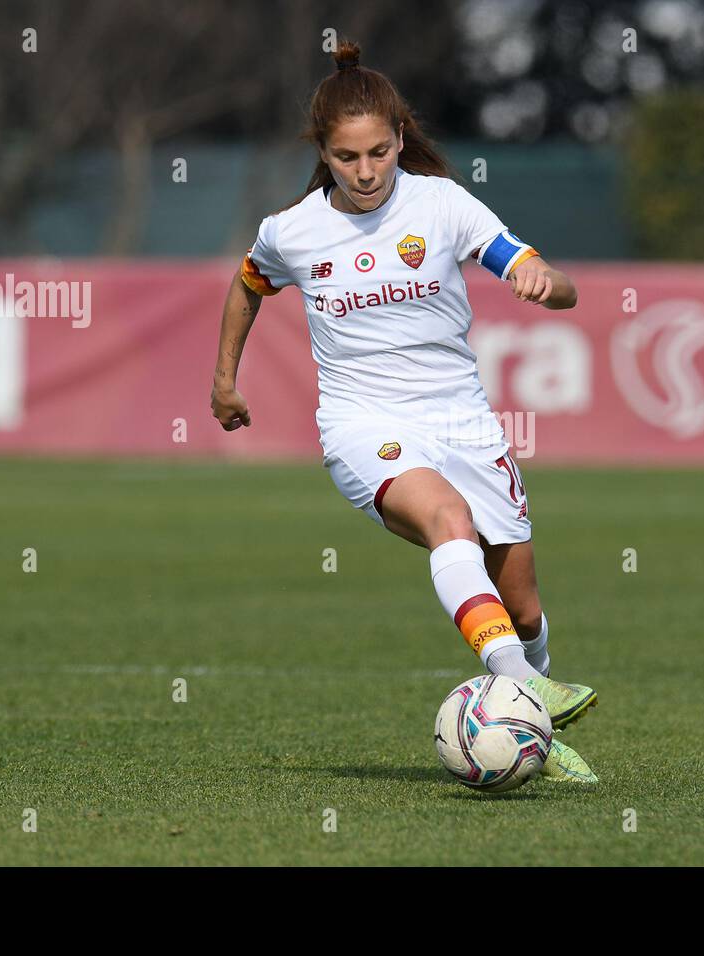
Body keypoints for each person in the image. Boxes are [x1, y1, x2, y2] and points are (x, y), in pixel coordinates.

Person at [211, 39, 597, 783]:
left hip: (462, 420)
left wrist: (546, 280)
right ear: (323, 151)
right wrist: (225, 380)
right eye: (348, 157)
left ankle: (530, 713)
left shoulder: (441, 203)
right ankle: (522, 687)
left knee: (521, 608)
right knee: (445, 519)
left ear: (399, 138)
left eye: (380, 153)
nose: (366, 171)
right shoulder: (292, 230)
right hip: (363, 423)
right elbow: (248, 284)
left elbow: (530, 266)